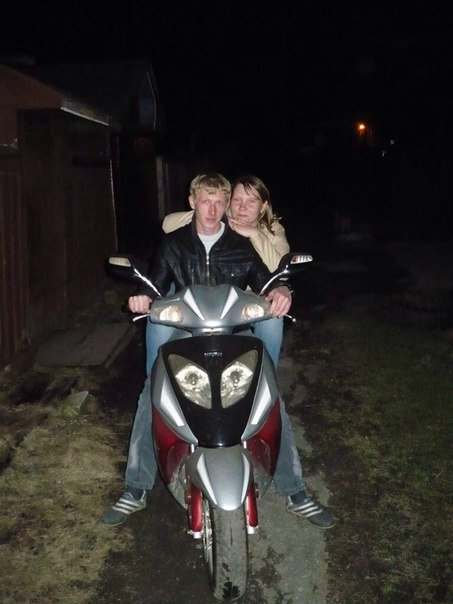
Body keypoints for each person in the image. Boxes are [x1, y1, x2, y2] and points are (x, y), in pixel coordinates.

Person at [101, 173, 335, 529]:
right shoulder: (174, 244)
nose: (212, 210)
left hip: (233, 333)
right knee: (154, 391)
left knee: (267, 392)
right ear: (192, 202)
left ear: (225, 207)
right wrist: (143, 296)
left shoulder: (240, 245)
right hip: (185, 333)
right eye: (205, 201)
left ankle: (294, 491)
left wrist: (281, 290)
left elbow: (265, 281)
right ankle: (135, 487)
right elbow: (155, 285)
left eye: (219, 203)